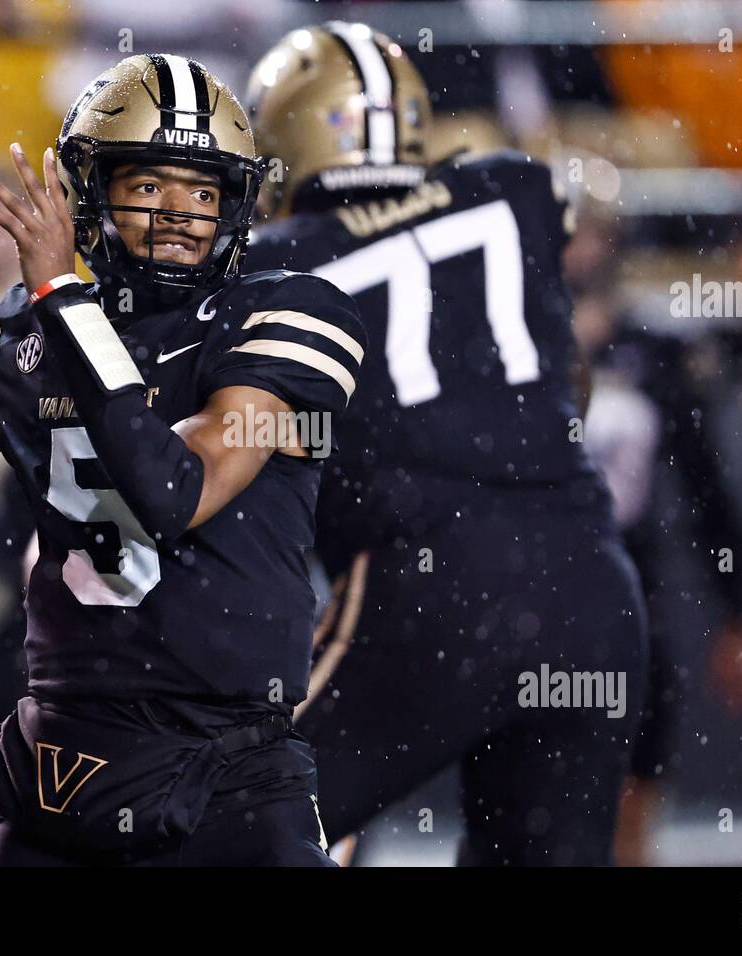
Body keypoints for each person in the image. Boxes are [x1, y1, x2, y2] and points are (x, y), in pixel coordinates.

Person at [0, 55, 365, 866]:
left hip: (228, 771)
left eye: (203, 191)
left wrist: (60, 299)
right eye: (149, 186)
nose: (178, 212)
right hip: (65, 762)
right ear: (91, 193)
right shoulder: (36, 334)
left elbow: (180, 489)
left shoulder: (285, 311)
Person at [244, 22, 647, 865]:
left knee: (234, 820)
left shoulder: (273, 263)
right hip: (588, 583)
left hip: (430, 596)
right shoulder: (512, 187)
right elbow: (568, 379)